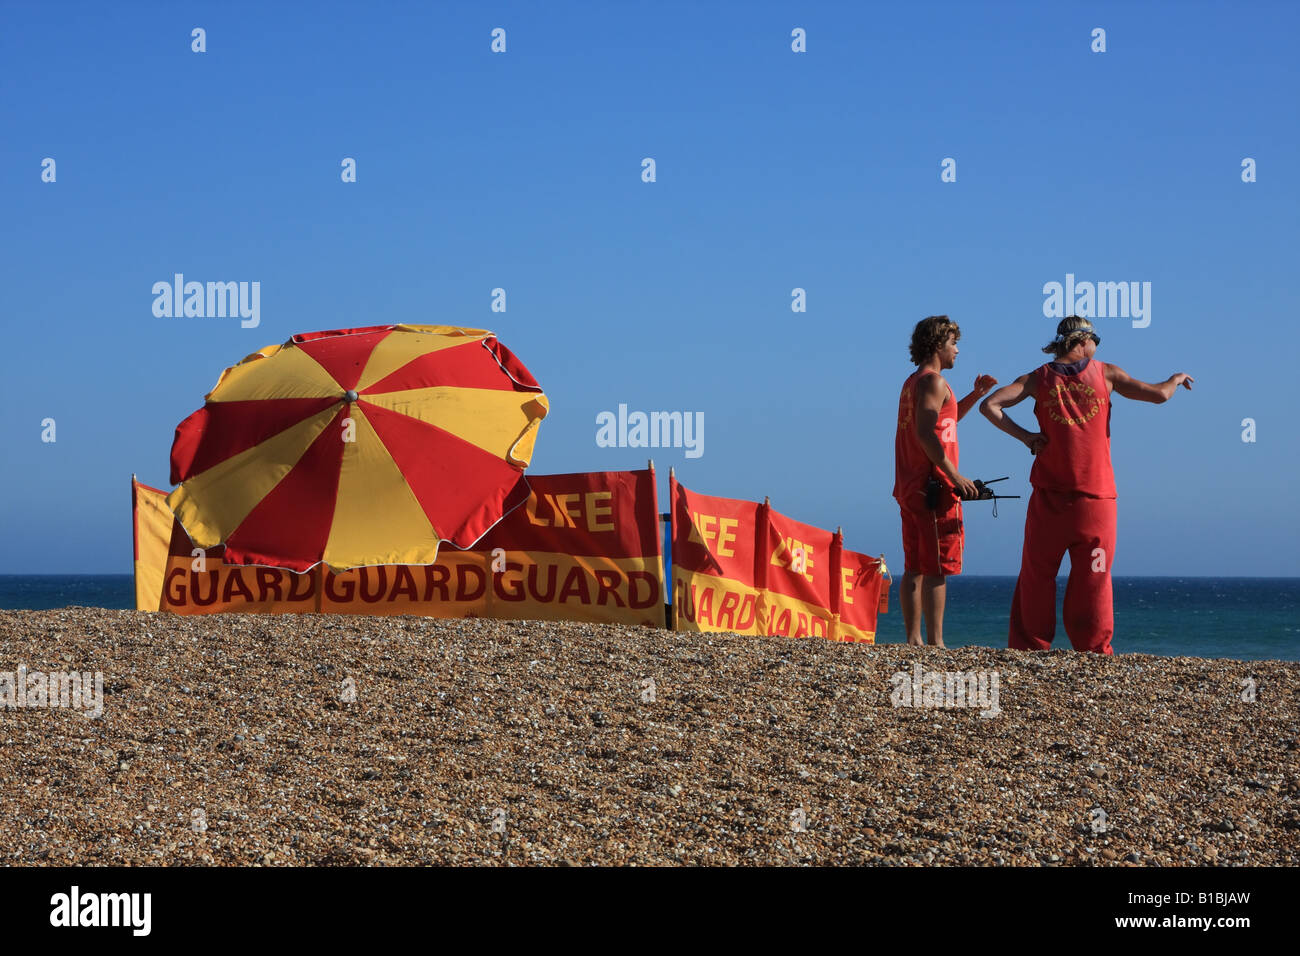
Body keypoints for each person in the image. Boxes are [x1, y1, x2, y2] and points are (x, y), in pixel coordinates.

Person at [979, 315, 1193, 654]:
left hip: (1049, 499)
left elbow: (989, 405)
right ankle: (1093, 651)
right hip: (1096, 501)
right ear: (1084, 341)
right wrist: (1175, 378)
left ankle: (1030, 648)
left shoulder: (1037, 378)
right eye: (1095, 342)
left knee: (1038, 575)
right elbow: (1160, 396)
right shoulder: (1106, 373)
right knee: (1093, 578)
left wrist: (1027, 438)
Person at [893, 315, 997, 648]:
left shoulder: (916, 382)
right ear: (938, 344)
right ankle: (936, 641)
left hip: (910, 484)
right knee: (937, 565)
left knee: (914, 566)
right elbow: (925, 433)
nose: (957, 351)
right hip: (933, 487)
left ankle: (913, 639)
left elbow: (944, 419)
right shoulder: (933, 382)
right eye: (953, 343)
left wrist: (975, 394)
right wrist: (954, 475)